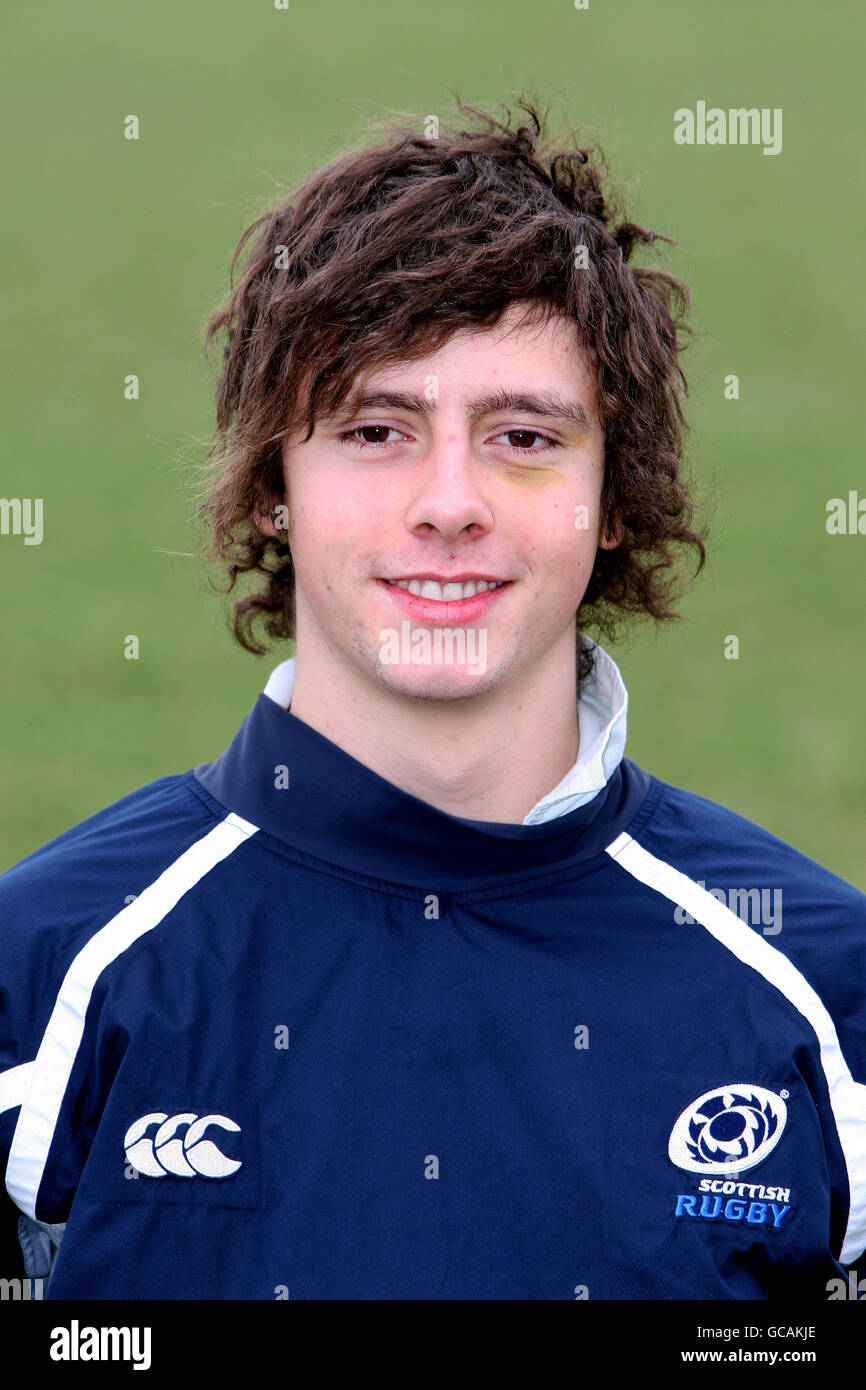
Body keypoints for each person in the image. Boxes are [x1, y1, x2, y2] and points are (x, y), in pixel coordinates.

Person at [1, 99, 864, 1301]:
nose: (449, 500)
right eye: (373, 428)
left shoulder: (822, 991)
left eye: (521, 435)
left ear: (614, 499)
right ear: (271, 489)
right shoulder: (41, 977)